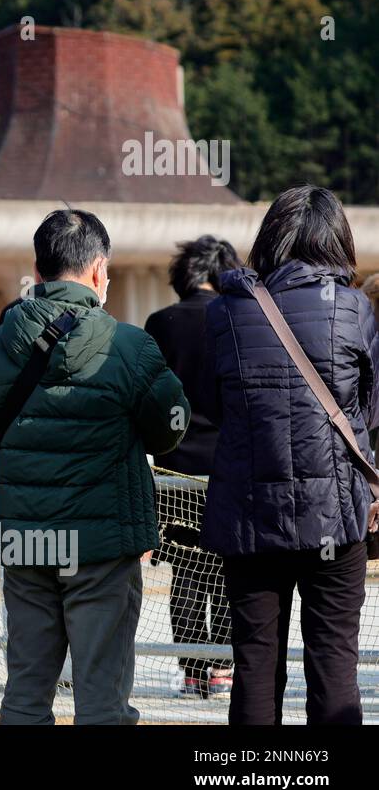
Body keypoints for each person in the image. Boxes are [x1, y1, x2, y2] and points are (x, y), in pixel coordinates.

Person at [0, 208, 188, 725]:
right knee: (102, 698)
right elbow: (170, 429)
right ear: (98, 271)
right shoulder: (131, 347)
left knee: (25, 692)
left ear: (38, 272)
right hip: (102, 543)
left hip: (26, 538)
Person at [202, 186, 379, 725]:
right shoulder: (354, 309)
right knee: (333, 660)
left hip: (249, 516)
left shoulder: (225, 312)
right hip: (337, 514)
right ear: (337, 242)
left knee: (255, 660)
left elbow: (216, 404)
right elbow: (368, 410)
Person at [145, 236, 240, 699]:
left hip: (172, 469)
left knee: (184, 571)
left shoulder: (159, 323)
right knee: (225, 567)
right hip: (226, 468)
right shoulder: (235, 319)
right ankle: (222, 668)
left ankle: (192, 670)